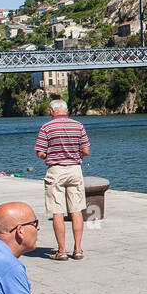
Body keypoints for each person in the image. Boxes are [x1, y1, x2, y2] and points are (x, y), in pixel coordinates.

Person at [34, 98, 90, 261]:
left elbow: (40, 153)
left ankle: (62, 251)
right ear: (66, 110)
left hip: (56, 170)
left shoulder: (46, 127)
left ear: (52, 111)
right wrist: (75, 155)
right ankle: (78, 250)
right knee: (76, 210)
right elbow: (85, 150)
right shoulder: (78, 126)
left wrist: (49, 154)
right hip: (75, 169)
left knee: (57, 211)